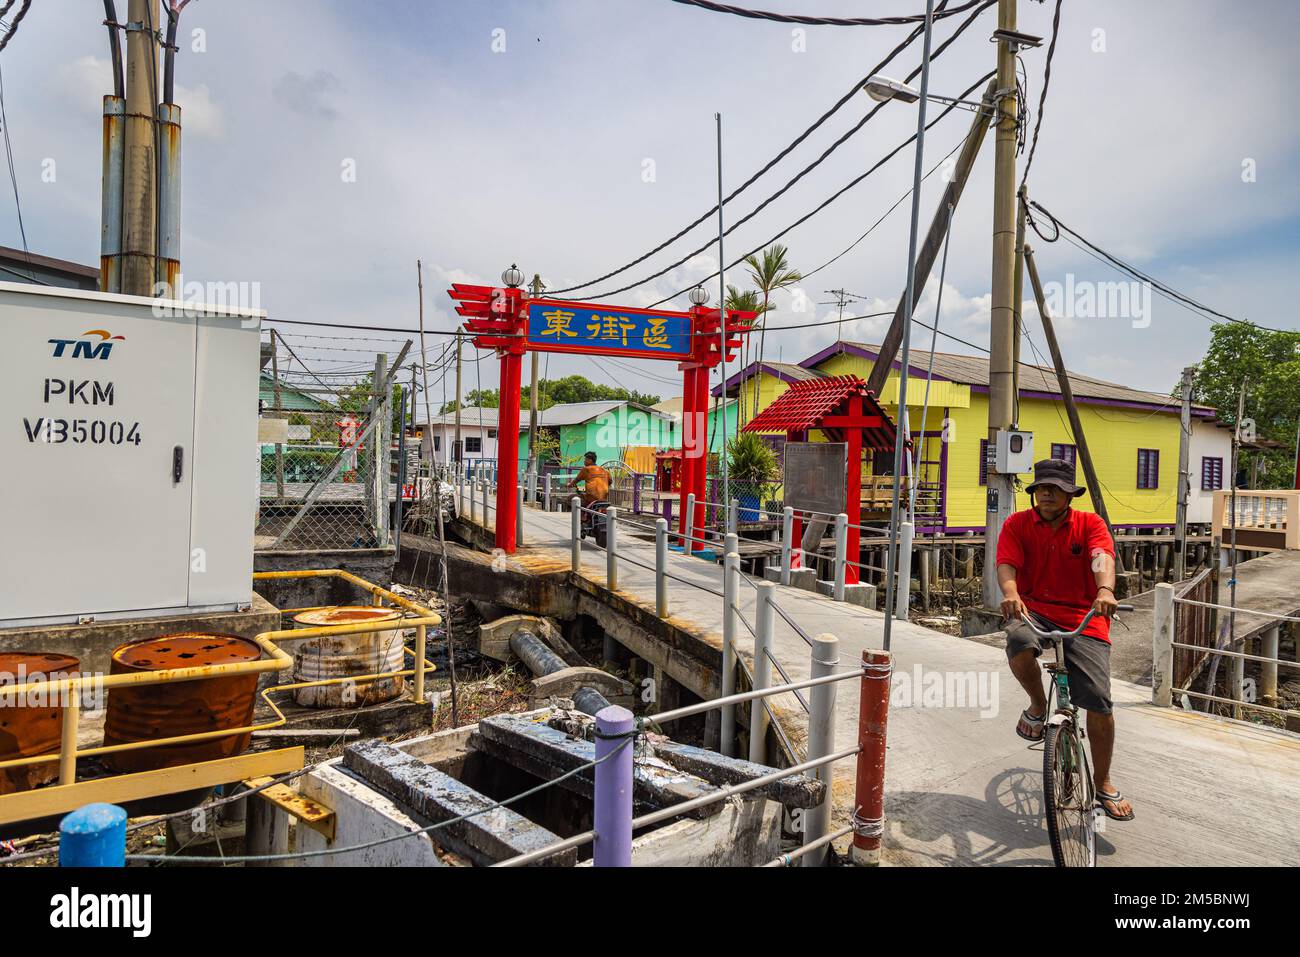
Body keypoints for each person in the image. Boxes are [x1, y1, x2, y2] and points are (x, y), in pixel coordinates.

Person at [996, 458, 1134, 822]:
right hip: (1034, 609)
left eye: (1055, 488)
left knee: (1100, 701)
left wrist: (1105, 591)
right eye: (1041, 487)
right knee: (1018, 642)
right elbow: (1006, 563)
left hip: (1084, 616)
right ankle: (1039, 706)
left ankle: (1102, 781)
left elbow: (1101, 557)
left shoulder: (1090, 524)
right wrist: (1011, 592)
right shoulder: (1017, 523)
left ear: (1069, 494)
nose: (1046, 493)